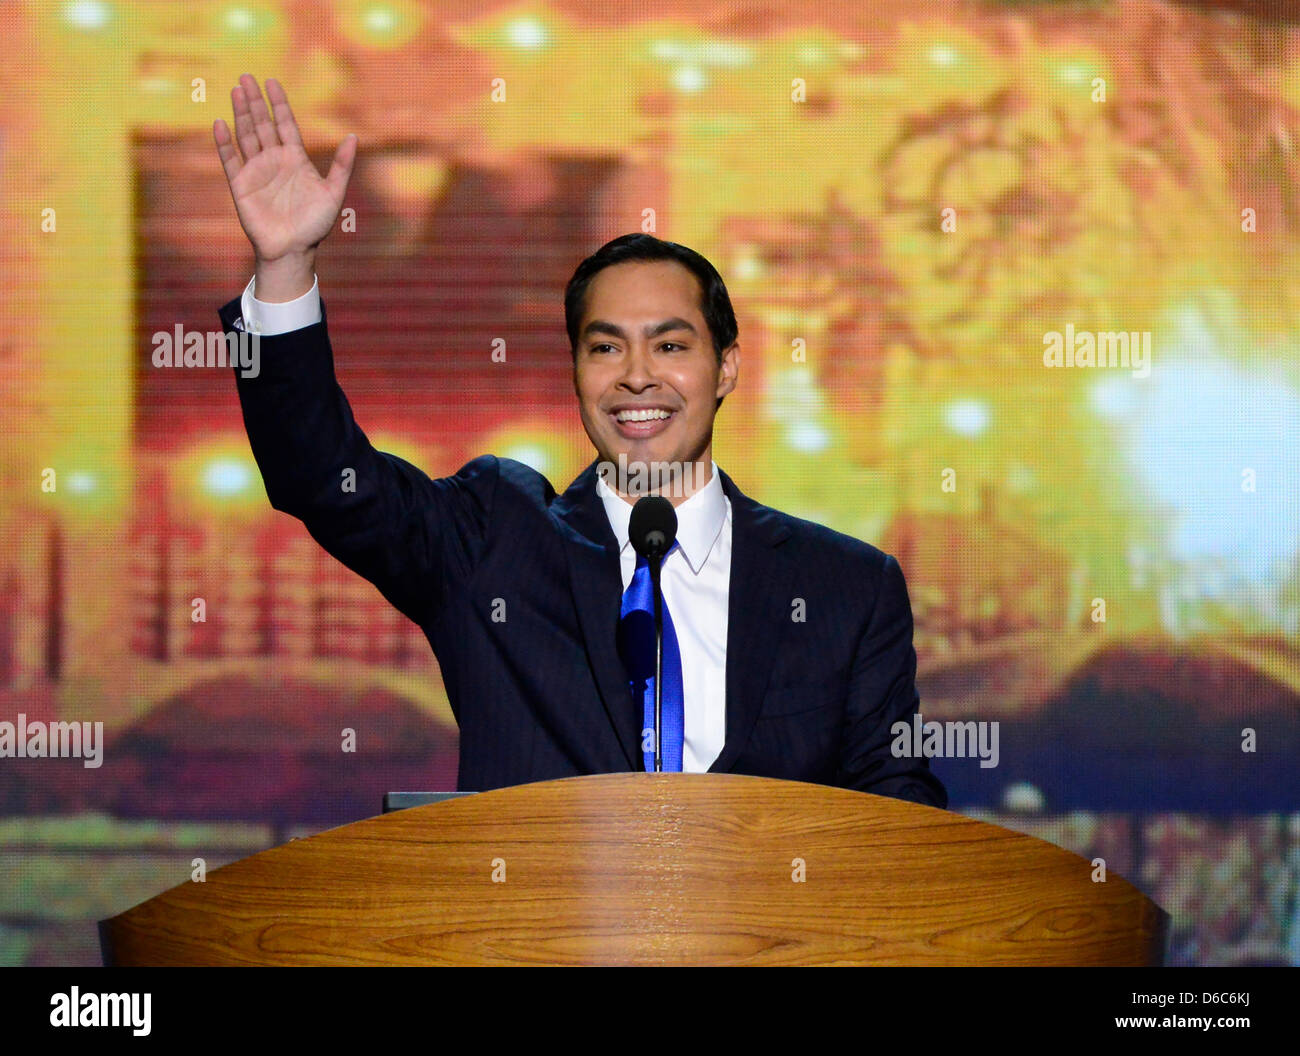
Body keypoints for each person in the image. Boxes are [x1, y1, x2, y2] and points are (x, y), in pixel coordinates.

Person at [212, 74, 946, 806]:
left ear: (726, 367)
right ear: (575, 370)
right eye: (605, 348)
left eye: (670, 347)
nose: (637, 376)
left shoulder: (845, 587)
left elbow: (899, 819)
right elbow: (322, 474)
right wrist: (285, 267)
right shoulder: (495, 539)